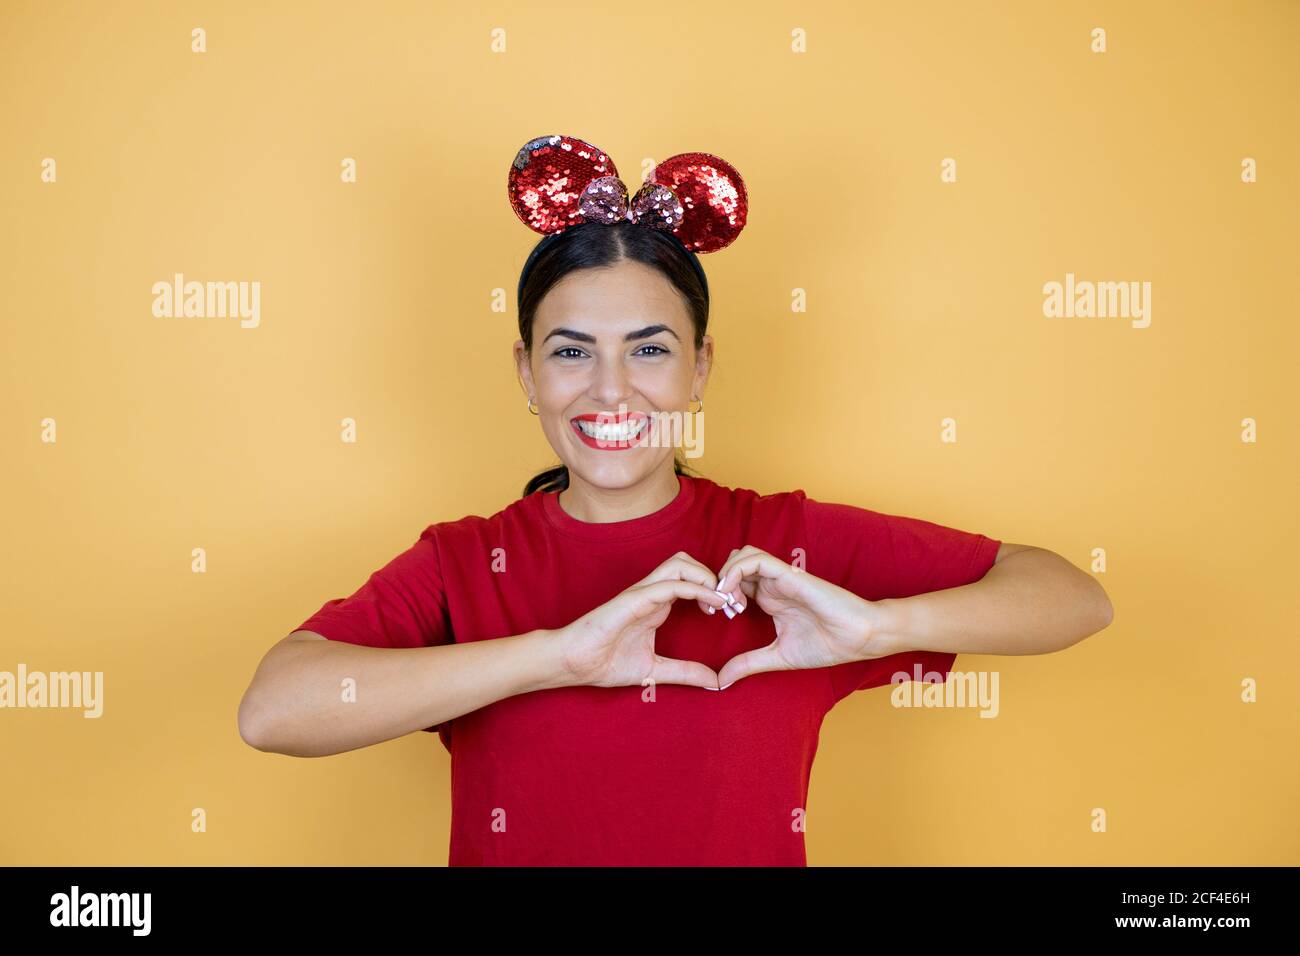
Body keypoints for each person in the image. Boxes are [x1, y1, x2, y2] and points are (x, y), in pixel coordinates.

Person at [237, 135, 1113, 866]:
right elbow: (275, 710)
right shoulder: (466, 561)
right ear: (527, 374)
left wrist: (879, 629)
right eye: (571, 353)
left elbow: (1073, 597)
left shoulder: (782, 546)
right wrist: (556, 656)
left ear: (699, 369)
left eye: (649, 351)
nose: (610, 393)